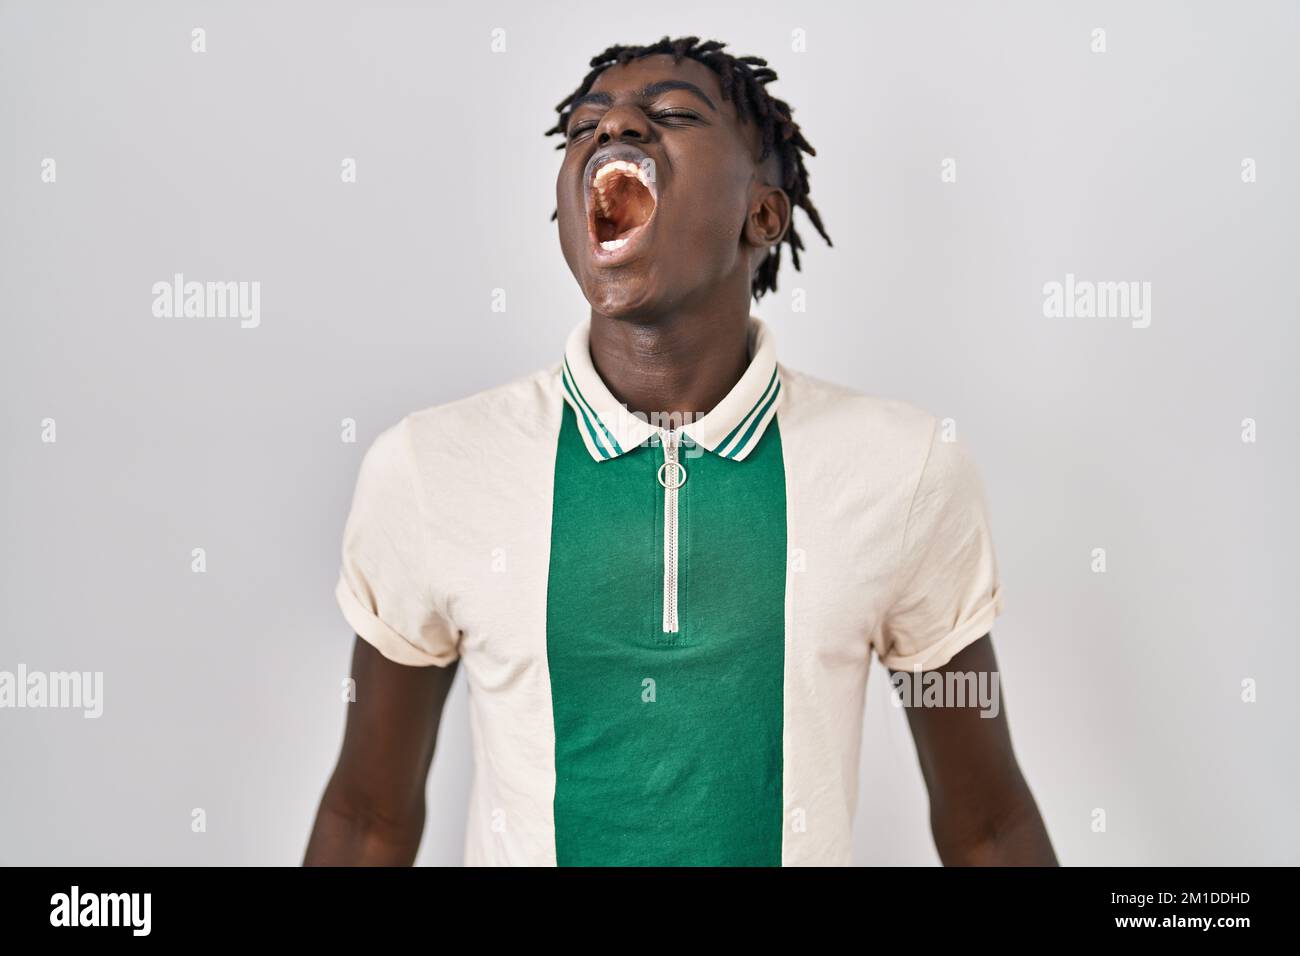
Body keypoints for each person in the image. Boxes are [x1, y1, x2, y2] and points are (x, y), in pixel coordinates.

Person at [305, 35, 1056, 867]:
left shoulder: (904, 470)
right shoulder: (429, 467)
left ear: (762, 215)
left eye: (670, 114)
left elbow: (987, 823)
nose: (614, 126)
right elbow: (368, 818)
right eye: (586, 126)